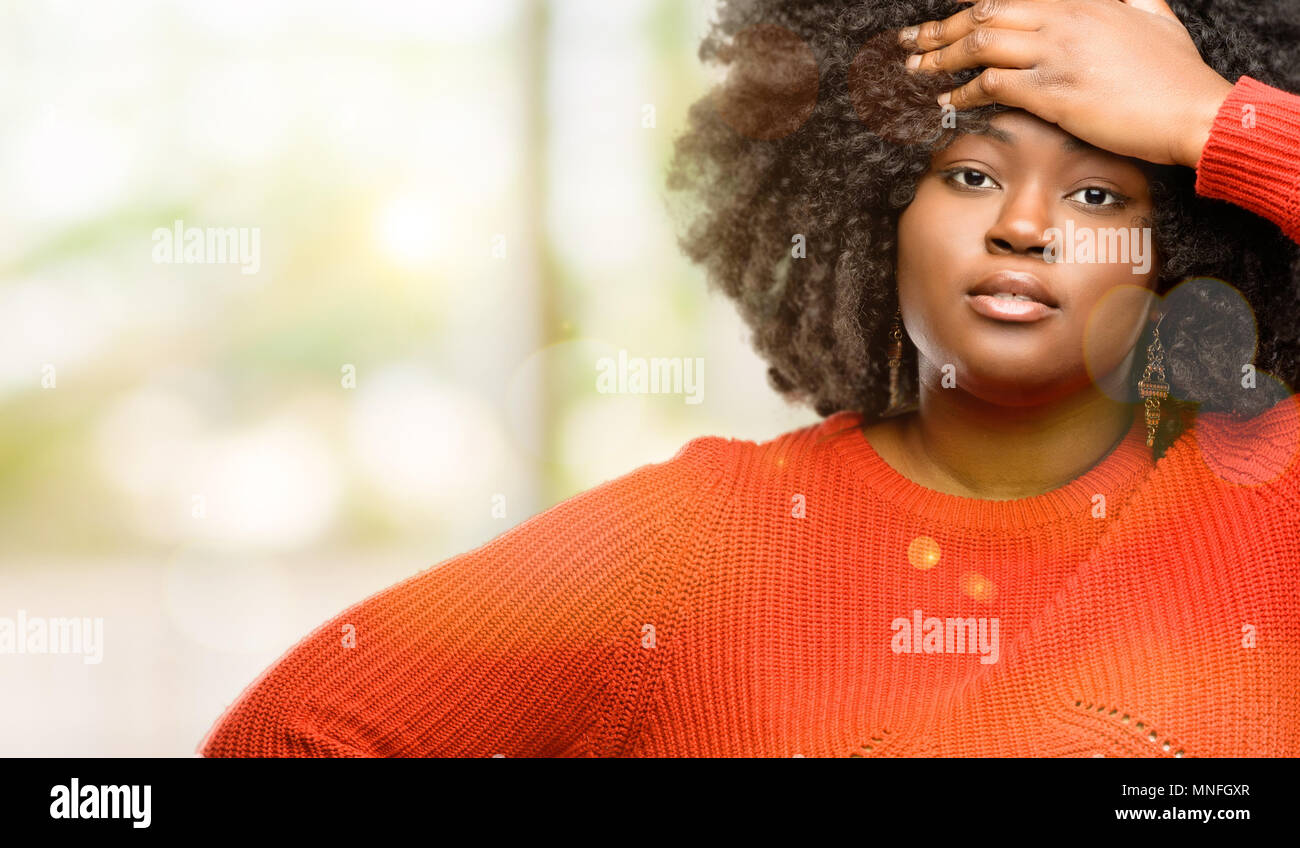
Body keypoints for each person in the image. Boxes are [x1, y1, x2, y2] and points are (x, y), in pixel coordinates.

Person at [199, 0, 1300, 757]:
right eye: (969, 174)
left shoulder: (1271, 500)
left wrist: (1209, 116)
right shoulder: (697, 541)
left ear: (1180, 252)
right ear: (873, 211)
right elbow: (291, 737)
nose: (1022, 225)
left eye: (1100, 196)